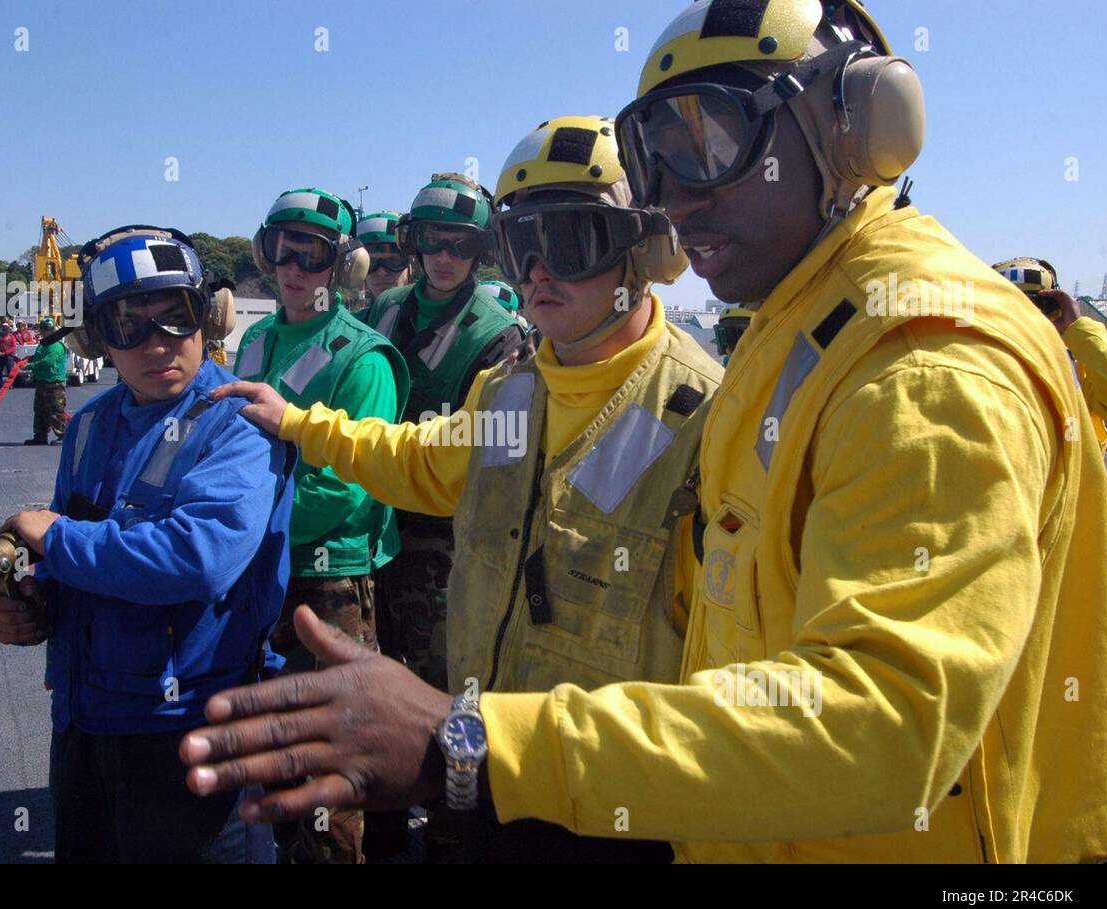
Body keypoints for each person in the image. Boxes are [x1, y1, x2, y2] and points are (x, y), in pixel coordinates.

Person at [180, 0, 1107, 864]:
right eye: (657, 157)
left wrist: (465, 737)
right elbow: (432, 465)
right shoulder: (768, 342)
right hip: (595, 795)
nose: (681, 196)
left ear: (857, 126)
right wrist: (299, 421)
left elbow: (882, 725)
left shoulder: (915, 369)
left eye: (711, 144)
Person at [209, 115, 722, 862]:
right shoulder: (511, 389)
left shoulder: (707, 415)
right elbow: (420, 461)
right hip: (492, 766)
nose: (539, 271)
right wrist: (301, 424)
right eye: (523, 246)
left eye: (571, 242)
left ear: (643, 250)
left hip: (621, 801)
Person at [0, 224, 296, 863]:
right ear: (99, 336)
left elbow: (198, 559)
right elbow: (69, 552)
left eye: (175, 317)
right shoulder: (90, 425)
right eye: (129, 325)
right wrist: (38, 605)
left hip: (189, 734)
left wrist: (59, 541)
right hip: (83, 725)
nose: (157, 343)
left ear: (206, 318)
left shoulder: (239, 424)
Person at [231, 187, 407, 864]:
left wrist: (240, 531)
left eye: (315, 254)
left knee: (327, 773)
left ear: (342, 267)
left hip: (324, 583)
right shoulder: (255, 341)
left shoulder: (361, 358)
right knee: (271, 751)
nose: (296, 267)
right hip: (259, 576)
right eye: (284, 250)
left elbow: (347, 488)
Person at [357, 173, 527, 689]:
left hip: (439, 532)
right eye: (432, 239)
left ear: (483, 251)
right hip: (372, 511)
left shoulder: (498, 333)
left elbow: (499, 454)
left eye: (463, 244)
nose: (444, 257)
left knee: (432, 671)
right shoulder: (386, 306)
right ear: (415, 240)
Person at [994, 257, 1107, 452]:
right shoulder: (975, 360)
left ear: (1055, 309)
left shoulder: (1075, 365)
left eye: (1036, 304)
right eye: (1011, 306)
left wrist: (1078, 328)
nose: (1024, 316)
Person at [354, 210, 412, 316]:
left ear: (410, 265)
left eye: (393, 261)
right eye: (371, 262)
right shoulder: (353, 327)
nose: (381, 272)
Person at [24, 318, 68, 446]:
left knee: (56, 410)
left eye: (48, 329)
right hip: (42, 381)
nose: (45, 332)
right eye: (44, 329)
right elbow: (40, 357)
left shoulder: (55, 345)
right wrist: (29, 359)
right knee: (40, 410)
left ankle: (63, 435)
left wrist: (30, 366)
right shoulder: (44, 344)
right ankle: (40, 436)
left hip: (54, 383)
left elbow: (47, 362)